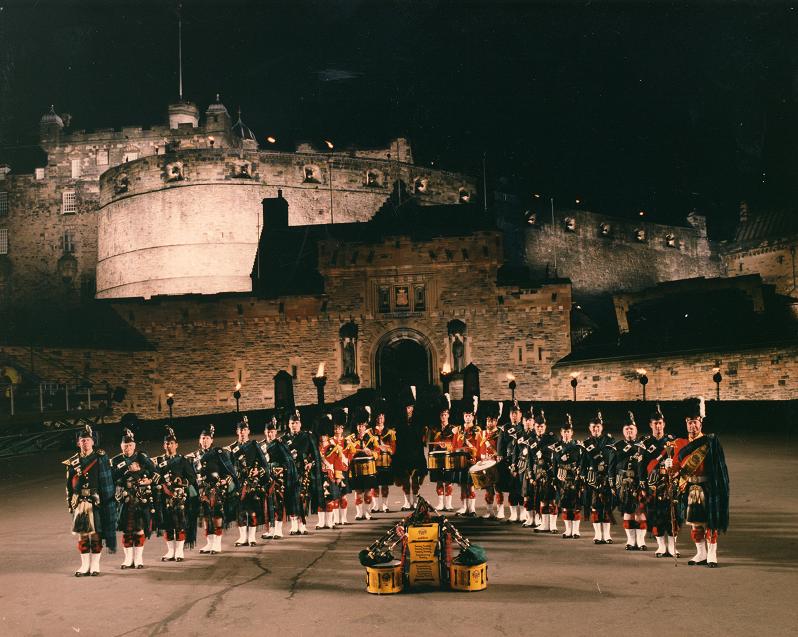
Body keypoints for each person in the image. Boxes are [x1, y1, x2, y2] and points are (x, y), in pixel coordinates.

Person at [670, 397, 730, 568]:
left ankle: (712, 554)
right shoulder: (680, 444)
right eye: (689, 422)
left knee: (709, 523)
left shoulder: (710, 442)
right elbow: (675, 469)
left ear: (701, 422)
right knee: (695, 523)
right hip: (689, 487)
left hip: (708, 487)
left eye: (695, 422)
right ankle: (701, 553)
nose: (692, 426)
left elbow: (719, 469)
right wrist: (669, 467)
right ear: (686, 423)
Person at [64, 425, 117, 577]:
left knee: (95, 534)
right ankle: (84, 565)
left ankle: (95, 565)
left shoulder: (100, 457)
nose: (85, 443)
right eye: (82, 440)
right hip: (80, 502)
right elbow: (69, 485)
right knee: (82, 535)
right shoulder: (73, 462)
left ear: (93, 442)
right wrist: (70, 502)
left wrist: (107, 501)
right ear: (78, 443)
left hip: (96, 502)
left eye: (87, 440)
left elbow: (107, 482)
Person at [111, 428, 157, 569]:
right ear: (121, 446)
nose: (128, 448)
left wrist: (148, 481)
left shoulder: (142, 457)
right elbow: (111, 479)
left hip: (141, 499)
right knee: (127, 529)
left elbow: (155, 473)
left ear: (134, 446)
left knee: (139, 528)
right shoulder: (116, 460)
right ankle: (128, 559)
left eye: (130, 445)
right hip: (124, 500)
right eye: (125, 445)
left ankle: (138, 559)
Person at [189, 424, 238, 555]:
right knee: (206, 517)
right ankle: (209, 543)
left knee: (217, 515)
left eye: (207, 438)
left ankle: (217, 543)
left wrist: (225, 481)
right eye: (203, 438)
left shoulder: (218, 453)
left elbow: (229, 471)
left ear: (211, 440)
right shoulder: (194, 456)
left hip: (216, 490)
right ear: (199, 440)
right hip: (202, 491)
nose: (205, 441)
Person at [153, 426, 198, 563]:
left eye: (171, 443)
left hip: (180, 499)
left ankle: (179, 551)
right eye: (167, 443)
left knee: (179, 525)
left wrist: (182, 482)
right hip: (164, 498)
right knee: (167, 525)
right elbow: (155, 478)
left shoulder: (182, 460)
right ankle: (170, 551)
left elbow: (192, 478)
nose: (169, 445)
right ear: (163, 445)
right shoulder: (159, 462)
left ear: (176, 445)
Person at [226, 416, 270, 547]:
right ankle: (242, 537)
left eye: (244, 430)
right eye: (240, 430)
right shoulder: (232, 448)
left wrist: (259, 472)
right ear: (237, 432)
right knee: (240, 511)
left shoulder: (254, 445)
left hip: (252, 483)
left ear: (248, 431)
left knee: (252, 511)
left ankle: (251, 537)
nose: (242, 432)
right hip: (238, 483)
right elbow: (228, 467)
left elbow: (264, 464)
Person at [639, 404, 677, 557]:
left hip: (669, 484)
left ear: (664, 424)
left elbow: (679, 461)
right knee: (656, 516)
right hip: (653, 486)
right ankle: (661, 546)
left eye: (660, 423)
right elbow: (641, 467)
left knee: (672, 517)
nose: (658, 426)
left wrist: (672, 464)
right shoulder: (645, 443)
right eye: (655, 423)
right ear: (651, 425)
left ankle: (673, 547)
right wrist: (642, 485)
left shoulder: (671, 441)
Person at [283, 411, 323, 535]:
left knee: (304, 498)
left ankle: (302, 525)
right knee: (292, 499)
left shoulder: (307, 436)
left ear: (300, 424)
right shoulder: (284, 439)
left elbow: (315, 455)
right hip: (290, 473)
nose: (294, 425)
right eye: (292, 423)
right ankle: (294, 525)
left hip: (304, 473)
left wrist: (311, 464)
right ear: (288, 425)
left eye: (296, 423)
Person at [613, 412, 648, 551]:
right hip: (624, 484)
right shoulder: (617, 446)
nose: (629, 431)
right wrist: (613, 483)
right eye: (627, 429)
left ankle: (641, 541)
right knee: (628, 512)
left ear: (636, 431)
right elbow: (612, 467)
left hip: (639, 482)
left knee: (640, 512)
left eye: (631, 429)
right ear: (623, 431)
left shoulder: (642, 446)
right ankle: (630, 541)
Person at [580, 412, 616, 544]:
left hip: (606, 478)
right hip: (592, 479)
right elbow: (583, 462)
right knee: (595, 506)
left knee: (606, 506)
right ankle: (597, 534)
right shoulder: (586, 443)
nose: (596, 429)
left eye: (598, 426)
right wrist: (583, 477)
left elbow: (613, 460)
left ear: (602, 427)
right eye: (593, 427)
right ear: (590, 428)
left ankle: (606, 535)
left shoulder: (609, 441)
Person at [259, 419, 297, 539]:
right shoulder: (261, 445)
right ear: (265, 432)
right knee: (267, 504)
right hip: (265, 478)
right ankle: (270, 530)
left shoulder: (280, 443)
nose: (270, 434)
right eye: (268, 431)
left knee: (278, 503)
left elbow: (289, 461)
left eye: (272, 431)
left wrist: (282, 469)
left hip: (278, 478)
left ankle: (278, 530)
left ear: (275, 432)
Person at [392, 386, 427, 510]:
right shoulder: (400, 421)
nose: (409, 409)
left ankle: (416, 501)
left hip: (416, 451)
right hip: (403, 452)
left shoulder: (418, 420)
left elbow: (422, 435)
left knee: (415, 477)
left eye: (411, 407)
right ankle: (407, 502)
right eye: (407, 407)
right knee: (405, 477)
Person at [345, 407, 380, 520]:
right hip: (356, 469)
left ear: (366, 426)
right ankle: (359, 513)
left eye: (363, 426)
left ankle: (368, 512)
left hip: (369, 468)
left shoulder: (372, 438)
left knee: (368, 492)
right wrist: (361, 450)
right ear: (356, 426)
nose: (361, 428)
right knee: (358, 492)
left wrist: (372, 453)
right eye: (359, 426)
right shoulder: (350, 439)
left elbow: (377, 452)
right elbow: (348, 452)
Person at [527, 410, 558, 533]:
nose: (539, 429)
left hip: (550, 472)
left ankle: (553, 525)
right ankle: (545, 525)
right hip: (538, 473)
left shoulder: (552, 438)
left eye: (542, 426)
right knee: (542, 499)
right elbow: (529, 459)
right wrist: (530, 475)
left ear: (545, 427)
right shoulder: (531, 440)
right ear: (534, 427)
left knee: (552, 499)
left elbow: (554, 455)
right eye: (537, 426)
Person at [553, 414, 583, 539]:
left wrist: (580, 477)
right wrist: (554, 479)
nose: (566, 433)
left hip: (574, 479)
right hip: (562, 479)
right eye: (564, 431)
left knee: (575, 505)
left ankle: (576, 530)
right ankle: (567, 530)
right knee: (565, 505)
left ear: (572, 432)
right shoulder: (556, 447)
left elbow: (582, 462)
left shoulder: (578, 446)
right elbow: (554, 464)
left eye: (568, 431)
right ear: (561, 432)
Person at [475, 400, 502, 518]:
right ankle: (490, 511)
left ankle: (500, 511)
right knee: (488, 489)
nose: (489, 422)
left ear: (496, 421)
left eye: (491, 420)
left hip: (496, 464)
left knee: (498, 489)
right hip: (485, 464)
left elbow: (502, 450)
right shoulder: (482, 433)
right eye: (487, 420)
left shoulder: (500, 433)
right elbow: (478, 448)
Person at [498, 401, 524, 522]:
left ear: (520, 414)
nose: (514, 416)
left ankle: (523, 514)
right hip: (509, 462)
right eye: (512, 413)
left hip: (522, 462)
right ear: (509, 415)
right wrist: (500, 457)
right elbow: (500, 446)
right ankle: (513, 514)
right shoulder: (505, 428)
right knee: (512, 488)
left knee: (522, 487)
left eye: (516, 413)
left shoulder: (524, 427)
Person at [369, 400, 396, 513]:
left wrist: (386, 447)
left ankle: (385, 505)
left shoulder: (390, 432)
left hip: (386, 461)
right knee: (374, 485)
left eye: (382, 417)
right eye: (378, 417)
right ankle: (375, 505)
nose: (380, 419)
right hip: (374, 462)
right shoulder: (370, 432)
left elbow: (393, 449)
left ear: (384, 418)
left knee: (385, 485)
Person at [429, 394, 454, 511]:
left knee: (448, 481)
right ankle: (440, 503)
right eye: (442, 415)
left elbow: (456, 444)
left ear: (448, 415)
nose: (443, 417)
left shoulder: (454, 429)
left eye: (445, 415)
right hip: (437, 458)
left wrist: (447, 445)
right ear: (439, 416)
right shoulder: (434, 429)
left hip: (448, 457)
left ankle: (448, 503)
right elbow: (430, 444)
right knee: (439, 481)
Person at [317, 414, 340, 529]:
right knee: (320, 500)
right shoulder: (316, 448)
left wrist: (339, 476)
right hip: (319, 476)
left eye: (325, 435)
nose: (323, 438)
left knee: (330, 499)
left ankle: (329, 522)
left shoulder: (333, 447)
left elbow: (338, 463)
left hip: (330, 475)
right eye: (321, 435)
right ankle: (321, 522)